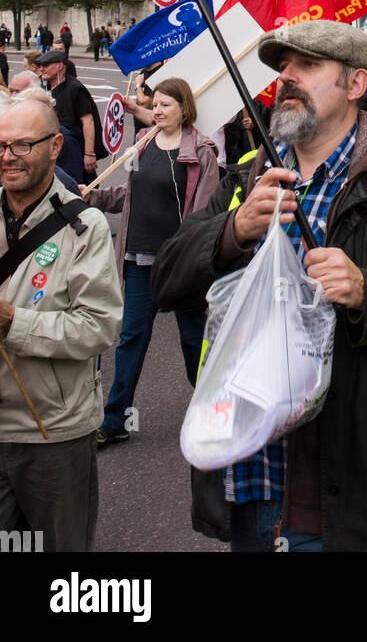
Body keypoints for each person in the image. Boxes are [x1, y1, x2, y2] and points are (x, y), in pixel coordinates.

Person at [150, 20, 367, 553]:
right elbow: (166, 282)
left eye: (307, 66)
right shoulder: (247, 175)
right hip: (254, 482)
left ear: (356, 85)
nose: (287, 77)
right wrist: (231, 233)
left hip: (359, 495)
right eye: (283, 67)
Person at [0, 95, 122, 550]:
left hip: (54, 433)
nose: (8, 157)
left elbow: (98, 327)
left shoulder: (84, 226)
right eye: (1, 146)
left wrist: (15, 322)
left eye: (22, 146)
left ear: (55, 146)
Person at [82, 77, 219, 447]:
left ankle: (211, 411)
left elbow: (205, 213)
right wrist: (93, 197)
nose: (157, 111)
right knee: (130, 340)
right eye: (154, 104)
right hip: (138, 259)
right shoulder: (142, 144)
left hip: (178, 266)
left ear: (184, 108)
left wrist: (189, 256)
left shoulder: (202, 152)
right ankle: (115, 421)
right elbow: (131, 195)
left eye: (165, 105)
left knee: (193, 341)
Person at [37, 51, 97, 175]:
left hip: (72, 150)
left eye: (46, 65)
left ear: (59, 66)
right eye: (40, 65)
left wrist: (89, 153)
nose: (41, 69)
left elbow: (88, 121)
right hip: (51, 150)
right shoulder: (42, 87)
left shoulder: (75, 88)